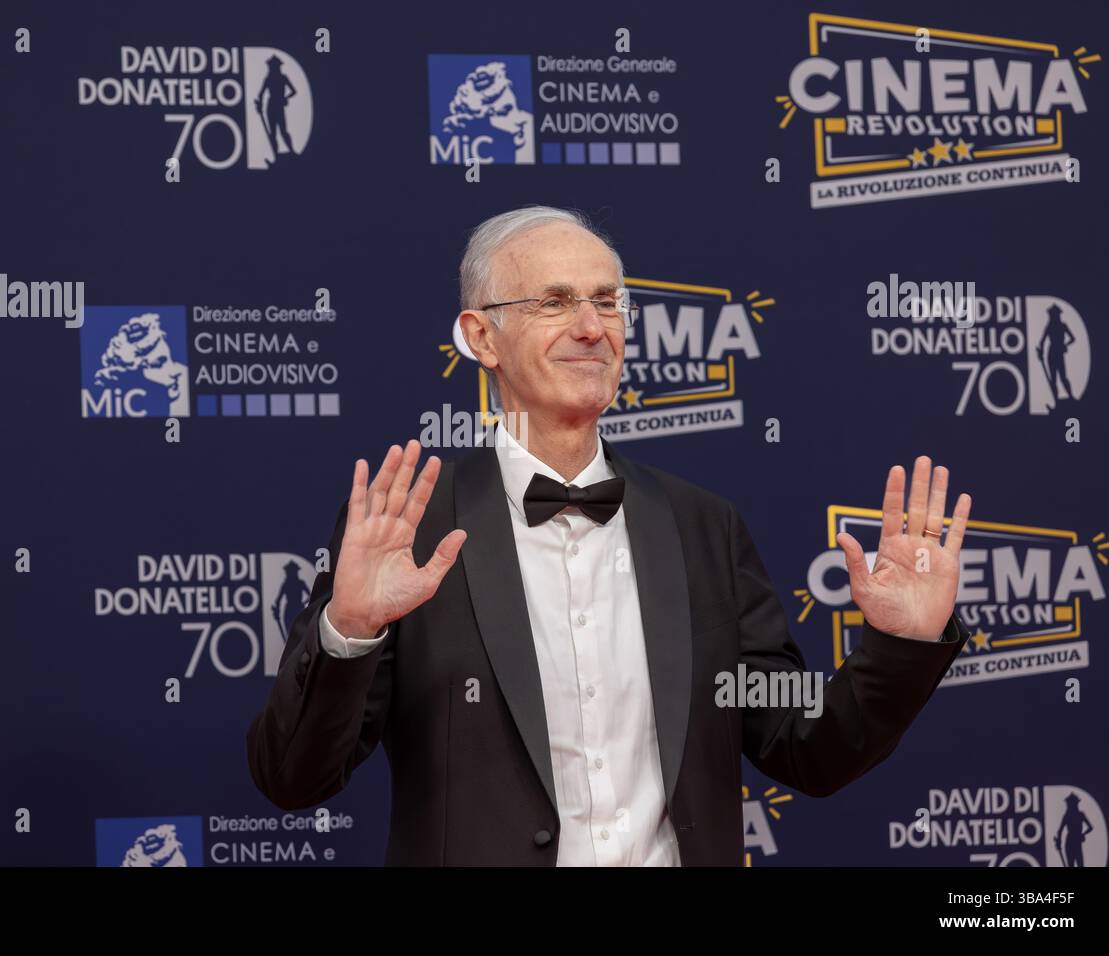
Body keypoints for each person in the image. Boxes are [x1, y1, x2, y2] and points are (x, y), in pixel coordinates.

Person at [246, 205, 973, 866]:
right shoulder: (413, 529)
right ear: (480, 337)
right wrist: (349, 631)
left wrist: (902, 647)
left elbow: (803, 749)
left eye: (607, 302)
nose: (592, 327)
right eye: (555, 302)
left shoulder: (703, 528)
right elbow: (293, 778)